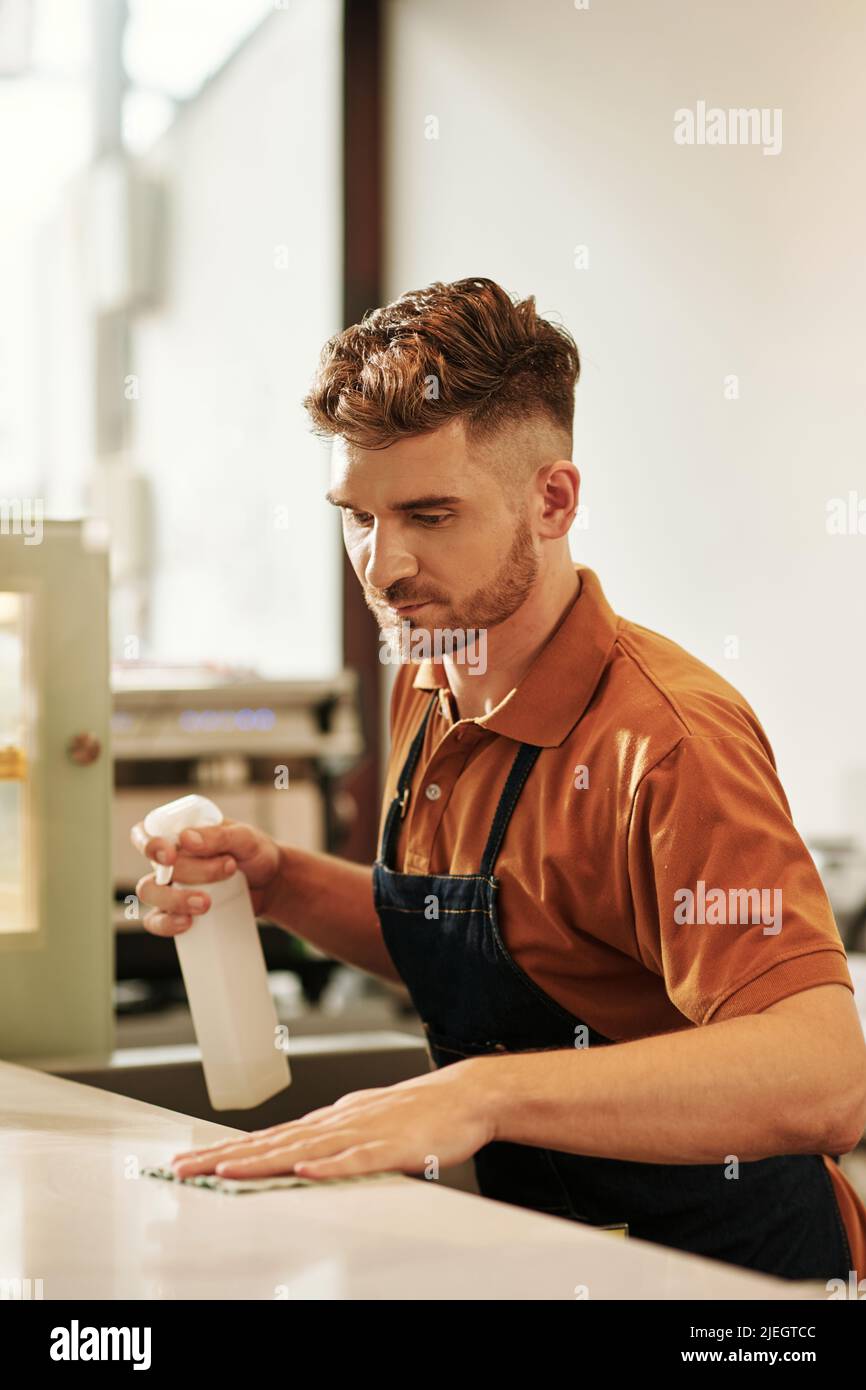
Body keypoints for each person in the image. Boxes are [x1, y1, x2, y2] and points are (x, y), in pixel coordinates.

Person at [132, 276, 866, 1283]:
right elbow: (516, 949)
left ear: (552, 499)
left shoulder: (665, 741)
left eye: (429, 514)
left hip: (736, 1284)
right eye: (356, 516)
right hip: (564, 1258)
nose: (382, 567)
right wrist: (283, 885)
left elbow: (822, 1071)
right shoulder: (430, 676)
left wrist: (480, 1095)